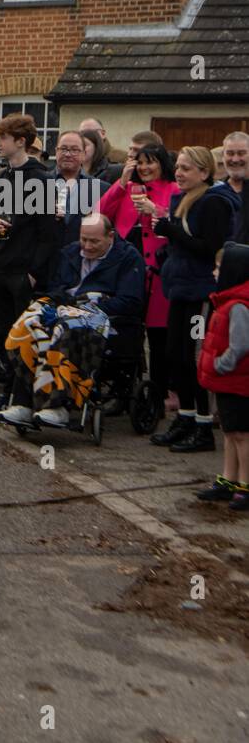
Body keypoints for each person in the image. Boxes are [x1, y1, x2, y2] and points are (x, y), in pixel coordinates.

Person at [0, 214, 144, 428]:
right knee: (29, 323)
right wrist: (59, 304)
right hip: (64, 306)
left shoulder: (129, 257)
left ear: (110, 236)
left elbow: (130, 301)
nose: (87, 246)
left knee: (65, 328)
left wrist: (82, 307)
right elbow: (55, 287)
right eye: (84, 239)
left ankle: (58, 405)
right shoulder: (70, 252)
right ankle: (23, 403)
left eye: (94, 241)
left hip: (104, 318)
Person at [150, 146, 242, 452]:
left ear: (204, 173)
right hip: (180, 288)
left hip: (200, 292)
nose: (178, 173)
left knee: (194, 358)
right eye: (178, 167)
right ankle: (186, 418)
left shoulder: (213, 203)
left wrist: (172, 233)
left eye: (186, 168)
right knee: (175, 354)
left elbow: (210, 248)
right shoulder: (184, 199)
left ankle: (203, 426)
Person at [0, 114, 57, 417]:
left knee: (24, 337)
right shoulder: (2, 178)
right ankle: (8, 394)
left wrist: (33, 273)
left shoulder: (42, 179)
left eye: (4, 139)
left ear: (20, 141)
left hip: (23, 272)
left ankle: (23, 400)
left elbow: (48, 234)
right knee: (5, 337)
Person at [98, 143, 179, 412]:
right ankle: (122, 393)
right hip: (128, 273)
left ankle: (161, 393)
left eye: (150, 162)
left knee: (159, 340)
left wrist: (155, 210)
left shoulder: (173, 189)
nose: (144, 168)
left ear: (162, 163)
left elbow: (179, 223)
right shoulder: (129, 188)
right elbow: (100, 214)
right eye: (140, 163)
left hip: (160, 274)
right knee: (125, 334)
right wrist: (121, 184)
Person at [196, 243, 249, 508]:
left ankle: (245, 483)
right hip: (228, 381)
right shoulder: (227, 301)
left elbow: (240, 346)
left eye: (219, 268)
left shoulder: (238, 305)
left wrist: (219, 364)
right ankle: (228, 479)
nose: (215, 273)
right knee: (230, 433)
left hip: (237, 380)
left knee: (241, 434)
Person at [49, 130, 104, 248]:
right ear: (56, 151)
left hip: (83, 257)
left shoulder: (101, 189)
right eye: (63, 149)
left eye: (74, 150)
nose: (68, 154)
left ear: (84, 154)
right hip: (45, 259)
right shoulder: (39, 183)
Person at [79, 118, 125, 182]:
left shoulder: (122, 157)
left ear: (103, 134)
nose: (85, 135)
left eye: (91, 132)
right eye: (81, 132)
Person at [222, 132, 249, 238]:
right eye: (230, 153)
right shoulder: (214, 191)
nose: (235, 159)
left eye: (241, 153)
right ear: (223, 156)